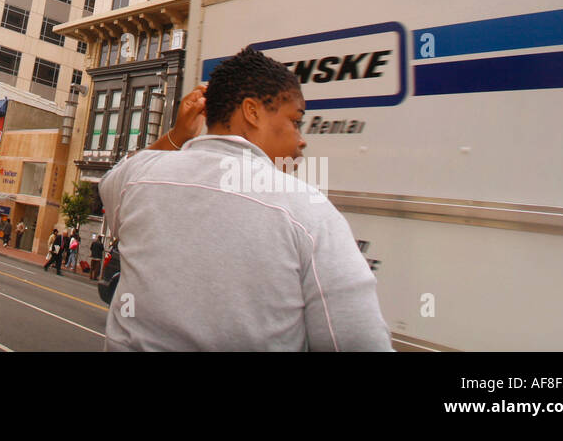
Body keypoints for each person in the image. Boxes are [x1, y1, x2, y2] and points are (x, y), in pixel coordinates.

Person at [99, 47, 393, 351]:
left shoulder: (139, 178)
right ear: (251, 112)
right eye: (295, 121)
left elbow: (110, 183)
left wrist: (178, 134)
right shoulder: (309, 213)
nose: (301, 139)